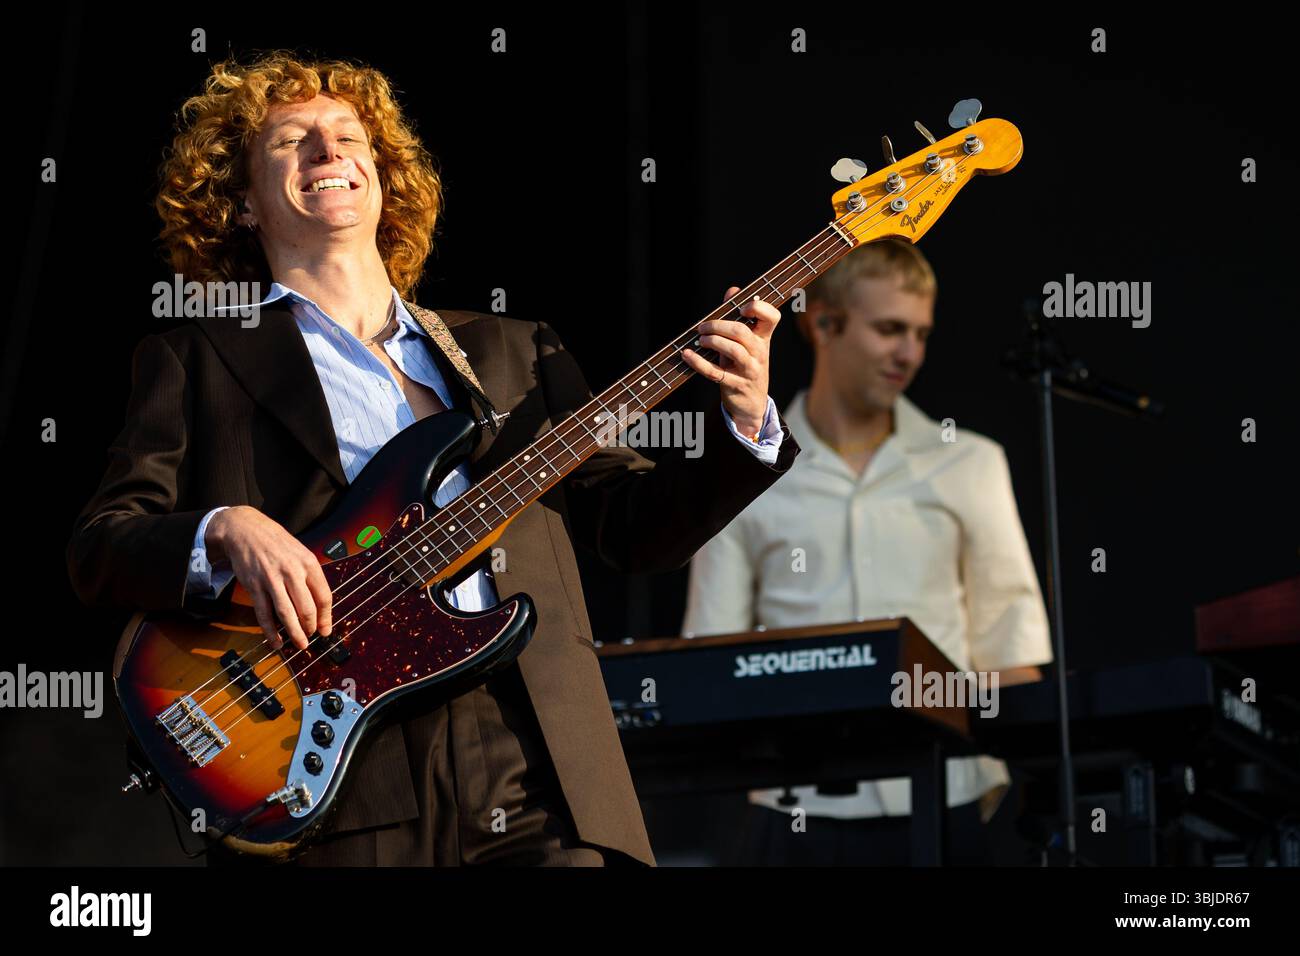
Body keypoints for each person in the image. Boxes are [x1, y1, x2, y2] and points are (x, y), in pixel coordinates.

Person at [66, 51, 799, 867]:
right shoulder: (196, 359)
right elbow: (102, 548)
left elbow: (633, 534)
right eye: (291, 141)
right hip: (337, 780)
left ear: (384, 178)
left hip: (532, 760)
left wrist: (744, 420)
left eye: (349, 136)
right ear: (239, 203)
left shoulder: (516, 351)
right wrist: (225, 529)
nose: (328, 150)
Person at [682, 238, 1051, 865]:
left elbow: (1011, 650)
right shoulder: (748, 470)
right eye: (889, 329)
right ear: (822, 322)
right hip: (793, 814)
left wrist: (1020, 794)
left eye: (920, 333)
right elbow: (711, 658)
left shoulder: (971, 461)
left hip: (951, 797)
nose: (908, 353)